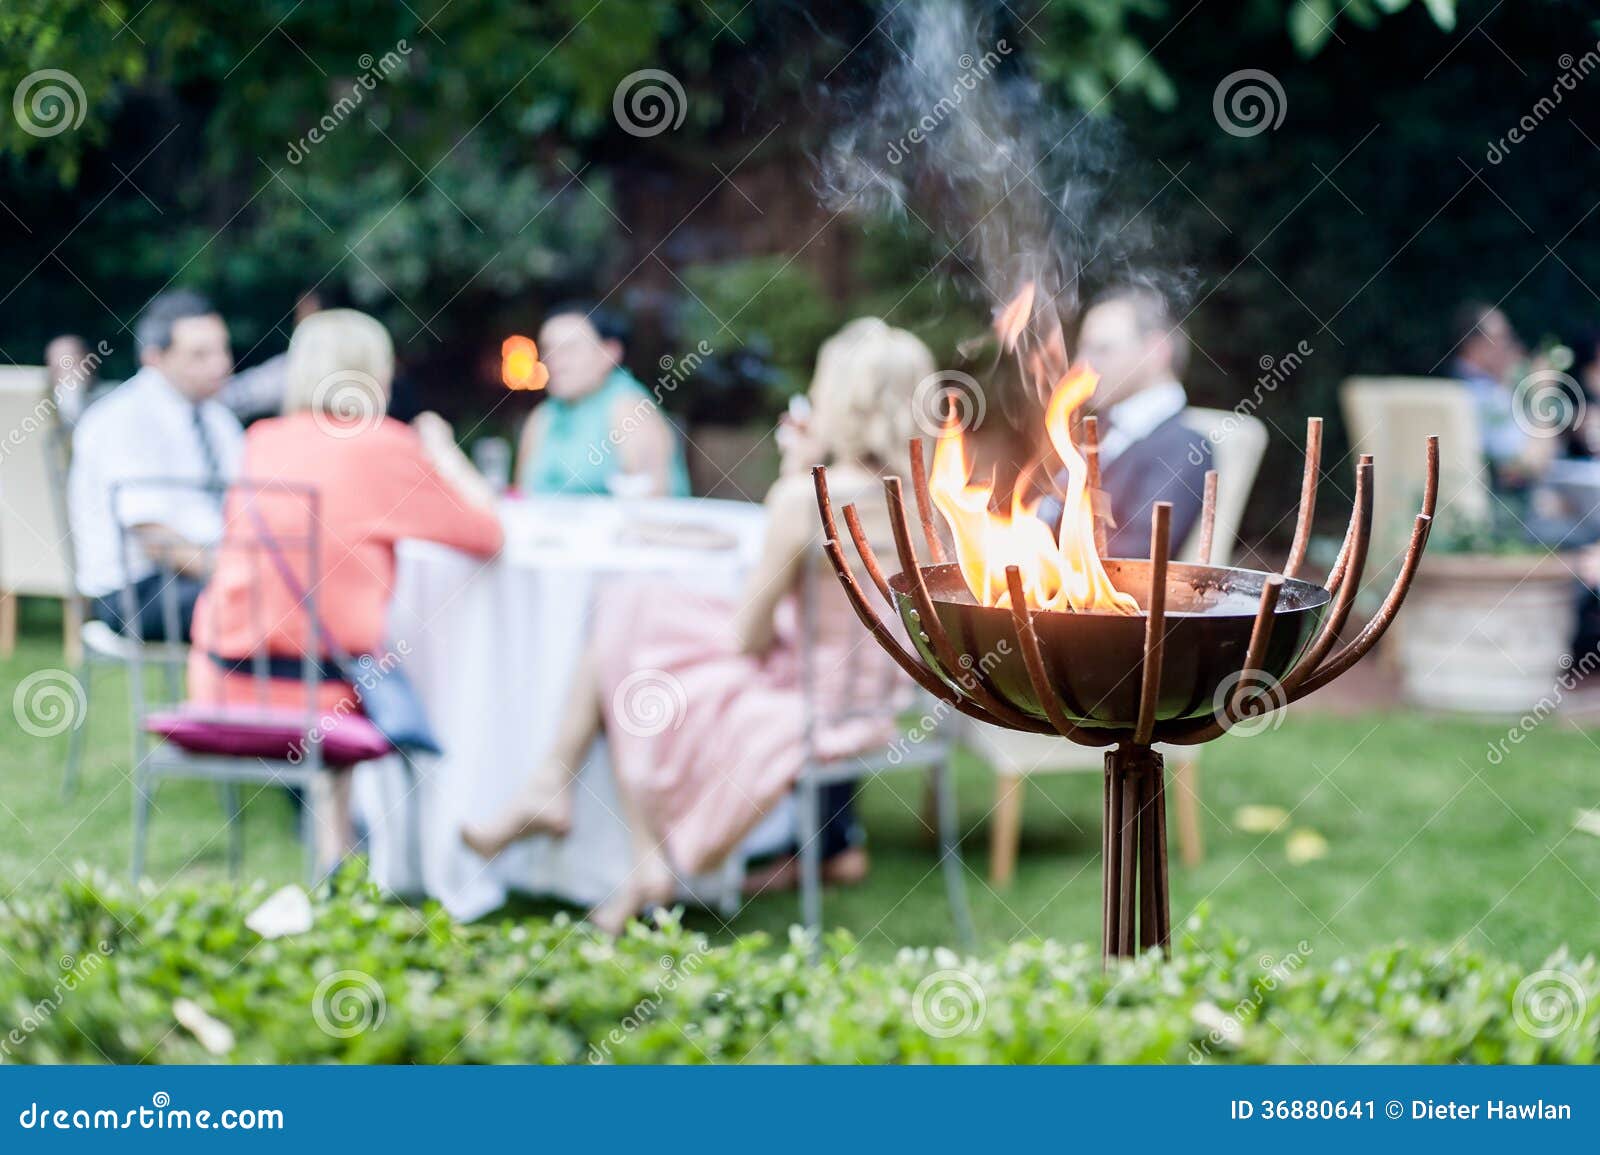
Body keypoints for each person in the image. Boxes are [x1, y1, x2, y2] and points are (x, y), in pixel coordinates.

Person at [464, 317, 926, 932]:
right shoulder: (931, 503)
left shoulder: (804, 499)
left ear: (842, 402)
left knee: (634, 651)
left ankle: (623, 841)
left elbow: (748, 636)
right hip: (876, 698)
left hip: (805, 697)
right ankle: (609, 832)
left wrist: (796, 475)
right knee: (634, 606)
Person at [187, 309, 504, 869]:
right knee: (400, 664)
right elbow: (488, 534)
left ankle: (341, 850)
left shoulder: (262, 439)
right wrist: (443, 451)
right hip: (323, 694)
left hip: (221, 680)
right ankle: (391, 856)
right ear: (375, 374)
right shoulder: (387, 447)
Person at [68, 290, 242, 641]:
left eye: (222, 349)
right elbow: (155, 538)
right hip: (136, 591)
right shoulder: (123, 418)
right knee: (260, 606)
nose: (221, 364)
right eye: (200, 354)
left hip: (202, 574)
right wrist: (236, 573)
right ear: (155, 358)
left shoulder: (218, 420)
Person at [1037, 286, 1209, 556]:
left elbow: (1138, 554)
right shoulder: (1102, 428)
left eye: (1102, 350)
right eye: (1083, 350)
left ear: (1156, 351)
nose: (1082, 365)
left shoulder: (1184, 447)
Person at [516, 306, 691, 498]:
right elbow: (522, 493)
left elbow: (652, 498)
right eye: (547, 348)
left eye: (569, 349)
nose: (554, 361)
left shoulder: (629, 407)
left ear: (610, 352)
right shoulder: (542, 416)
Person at [1448, 301, 1549, 489]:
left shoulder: (1488, 387)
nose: (1511, 346)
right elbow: (1522, 467)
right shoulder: (1475, 394)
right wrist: (1542, 396)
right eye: (1502, 338)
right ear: (1473, 345)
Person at [217, 288, 323, 421]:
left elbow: (241, 393)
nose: (298, 321)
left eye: (304, 315)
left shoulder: (292, 369)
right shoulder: (286, 367)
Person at [44, 334, 104, 428]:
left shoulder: (112, 394)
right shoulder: (43, 404)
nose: (68, 374)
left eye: (74, 364)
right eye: (59, 369)